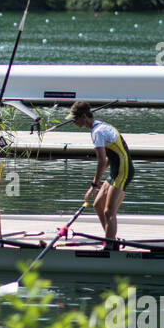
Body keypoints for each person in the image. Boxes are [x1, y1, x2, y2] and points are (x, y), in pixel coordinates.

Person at [70, 101, 131, 243]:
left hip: (123, 171)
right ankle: (111, 239)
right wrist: (97, 183)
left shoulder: (97, 132)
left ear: (84, 116)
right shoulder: (101, 126)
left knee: (109, 211)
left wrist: (94, 184)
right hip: (116, 171)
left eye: (75, 119)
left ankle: (110, 247)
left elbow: (102, 161)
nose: (74, 122)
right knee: (98, 205)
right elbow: (109, 159)